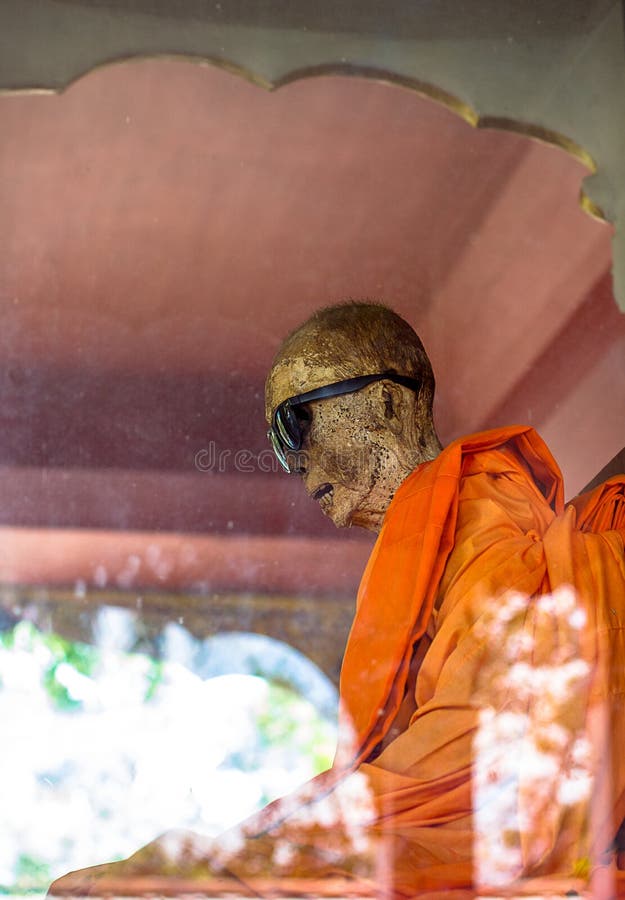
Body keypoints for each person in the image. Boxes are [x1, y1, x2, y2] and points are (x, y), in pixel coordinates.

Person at [49, 302, 625, 898]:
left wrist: (294, 835)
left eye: (298, 424)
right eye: (279, 447)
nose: (297, 464)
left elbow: (485, 737)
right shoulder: (418, 537)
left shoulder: (479, 512)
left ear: (386, 403)